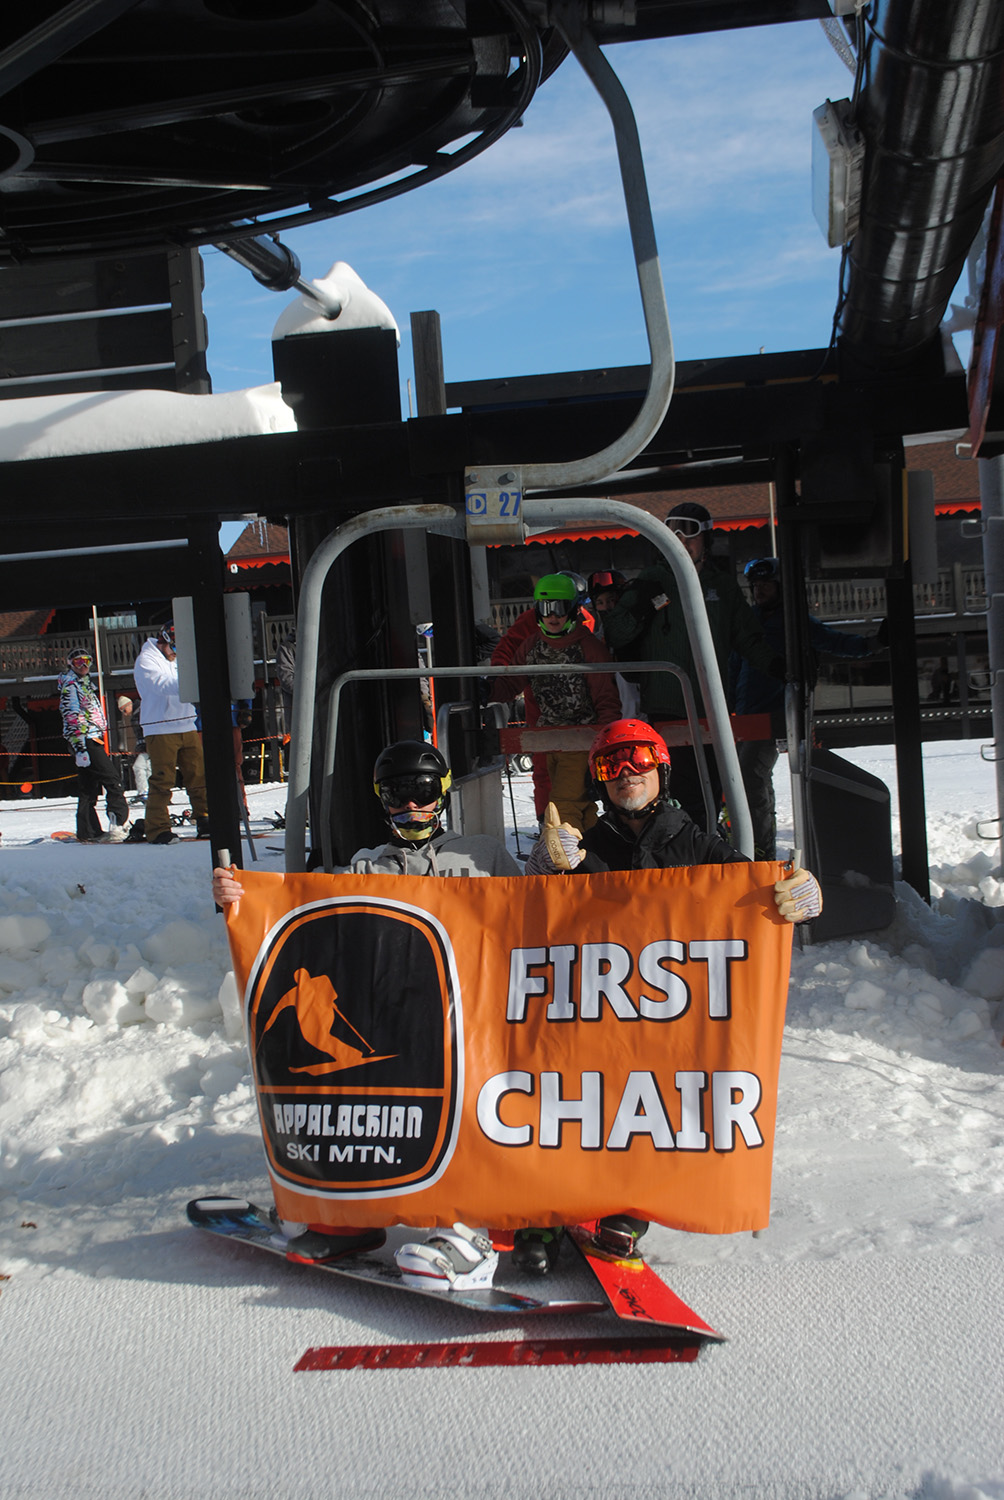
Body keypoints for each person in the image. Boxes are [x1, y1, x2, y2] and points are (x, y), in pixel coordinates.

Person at [519, 717, 822, 1269]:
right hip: (592, 1007)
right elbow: (522, 914)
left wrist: (801, 893)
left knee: (655, 1105)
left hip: (666, 1016)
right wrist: (549, 864)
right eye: (612, 766)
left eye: (637, 760)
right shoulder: (591, 844)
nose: (626, 774)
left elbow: (755, 894)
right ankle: (542, 1211)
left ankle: (628, 1211)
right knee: (566, 1097)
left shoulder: (698, 843)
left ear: (661, 767)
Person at [212, 739, 522, 1277]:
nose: (411, 808)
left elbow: (544, 918)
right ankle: (347, 1217)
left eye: (422, 793)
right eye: (398, 795)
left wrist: (557, 864)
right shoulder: (365, 866)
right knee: (357, 1096)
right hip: (398, 1017)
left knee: (468, 1105)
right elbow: (311, 917)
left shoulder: (483, 854)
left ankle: (467, 1228)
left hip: (476, 1015)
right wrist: (243, 900)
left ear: (442, 794)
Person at [603, 501, 784, 831]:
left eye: (691, 534)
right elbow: (616, 632)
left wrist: (779, 666)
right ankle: (680, 855)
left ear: (707, 539)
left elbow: (748, 638)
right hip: (666, 708)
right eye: (673, 533)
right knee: (676, 793)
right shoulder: (652, 580)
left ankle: (705, 852)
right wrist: (641, 607)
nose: (682, 541)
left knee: (712, 793)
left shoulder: (722, 586)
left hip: (711, 708)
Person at [732, 557, 880, 859]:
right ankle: (752, 840)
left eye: (766, 585)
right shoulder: (748, 619)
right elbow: (733, 662)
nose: (760, 590)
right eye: (756, 585)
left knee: (751, 776)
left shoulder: (793, 622)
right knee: (741, 778)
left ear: (780, 587)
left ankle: (761, 848)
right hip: (744, 714)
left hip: (775, 713)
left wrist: (872, 644)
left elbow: (835, 641)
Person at [489, 573, 620, 831]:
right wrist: (488, 688)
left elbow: (606, 697)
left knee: (562, 801)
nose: (553, 616)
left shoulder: (588, 648)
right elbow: (512, 680)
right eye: (546, 609)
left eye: (560, 609)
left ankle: (563, 850)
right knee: (571, 797)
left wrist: (606, 741)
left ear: (572, 609)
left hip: (579, 737)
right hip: (547, 736)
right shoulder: (532, 645)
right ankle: (592, 843)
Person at [133, 623, 209, 845]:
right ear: (163, 640)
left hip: (186, 723)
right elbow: (160, 684)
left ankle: (204, 818)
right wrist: (193, 682)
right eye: (174, 646)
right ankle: (157, 829)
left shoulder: (177, 658)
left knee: (198, 774)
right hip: (160, 727)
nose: (176, 652)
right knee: (163, 779)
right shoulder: (147, 659)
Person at [57, 648, 131, 842]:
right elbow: (71, 716)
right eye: (78, 662)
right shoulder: (71, 685)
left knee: (88, 787)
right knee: (112, 780)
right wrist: (80, 747)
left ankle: (87, 830)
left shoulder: (84, 684)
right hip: (85, 740)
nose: (83, 666)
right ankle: (117, 824)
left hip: (91, 738)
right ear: (70, 664)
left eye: (86, 661)